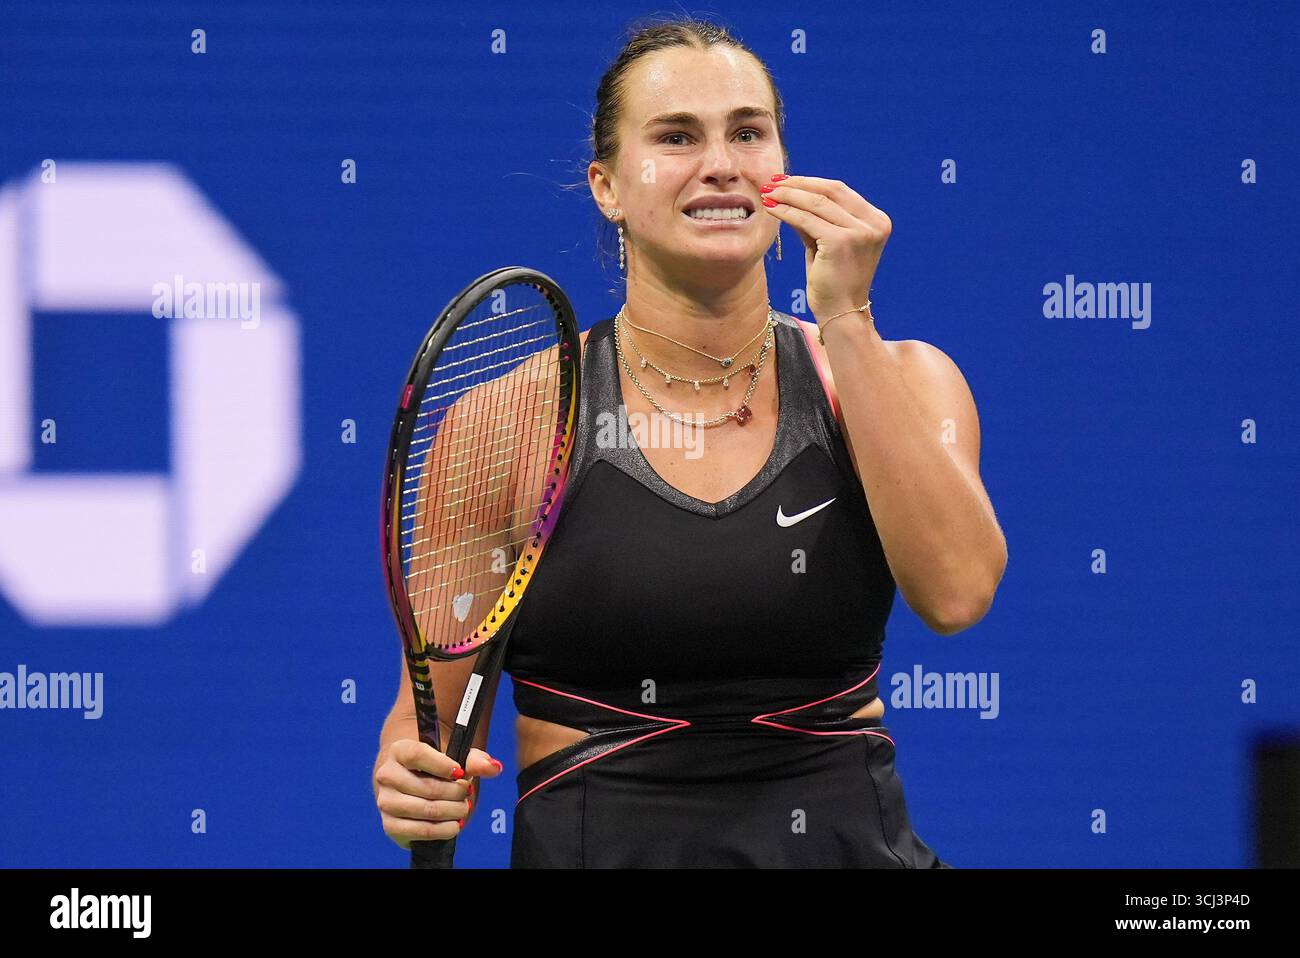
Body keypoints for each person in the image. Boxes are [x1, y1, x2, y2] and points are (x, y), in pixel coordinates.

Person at [373, 15, 1007, 868]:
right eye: (676, 137)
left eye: (749, 132)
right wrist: (410, 777)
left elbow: (958, 593)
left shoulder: (900, 378)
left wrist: (847, 321)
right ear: (606, 186)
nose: (721, 163)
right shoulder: (508, 421)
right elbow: (435, 721)